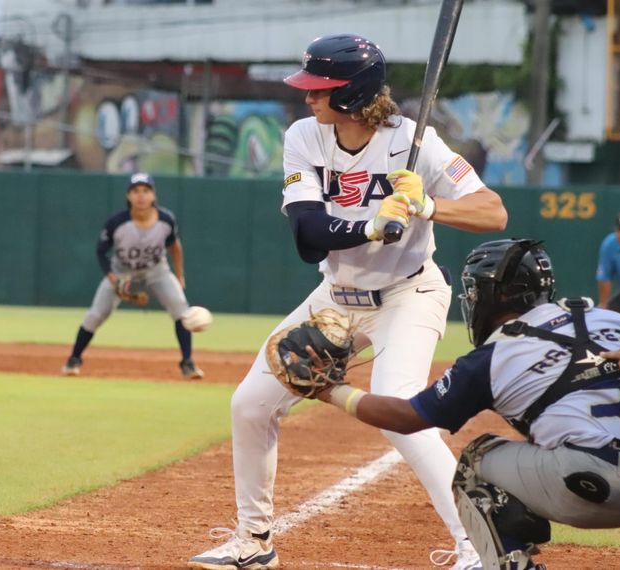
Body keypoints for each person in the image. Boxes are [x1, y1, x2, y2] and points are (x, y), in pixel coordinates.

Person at [188, 34, 507, 570]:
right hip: (336, 297)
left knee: (398, 408)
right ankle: (254, 540)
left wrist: (426, 204)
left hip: (409, 292)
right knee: (249, 404)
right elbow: (309, 232)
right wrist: (371, 223)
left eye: (320, 89)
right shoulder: (305, 137)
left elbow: (492, 212)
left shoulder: (417, 142)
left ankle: (476, 545)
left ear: (355, 94)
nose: (308, 97)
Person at [312, 238, 620, 569]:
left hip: (584, 488)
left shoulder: (492, 355)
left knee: (475, 460)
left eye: (475, 289)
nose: (471, 298)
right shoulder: (617, 323)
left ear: (497, 294)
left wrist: (330, 391)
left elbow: (407, 416)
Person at [61, 172, 204, 380]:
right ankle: (74, 359)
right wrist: (113, 279)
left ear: (153, 195)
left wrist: (180, 276)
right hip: (122, 272)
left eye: (146, 191)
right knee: (96, 314)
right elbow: (101, 251)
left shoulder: (166, 220)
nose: (141, 196)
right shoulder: (116, 223)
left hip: (157, 271)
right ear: (128, 196)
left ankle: (188, 363)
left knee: (181, 309)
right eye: (135, 191)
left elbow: (175, 247)